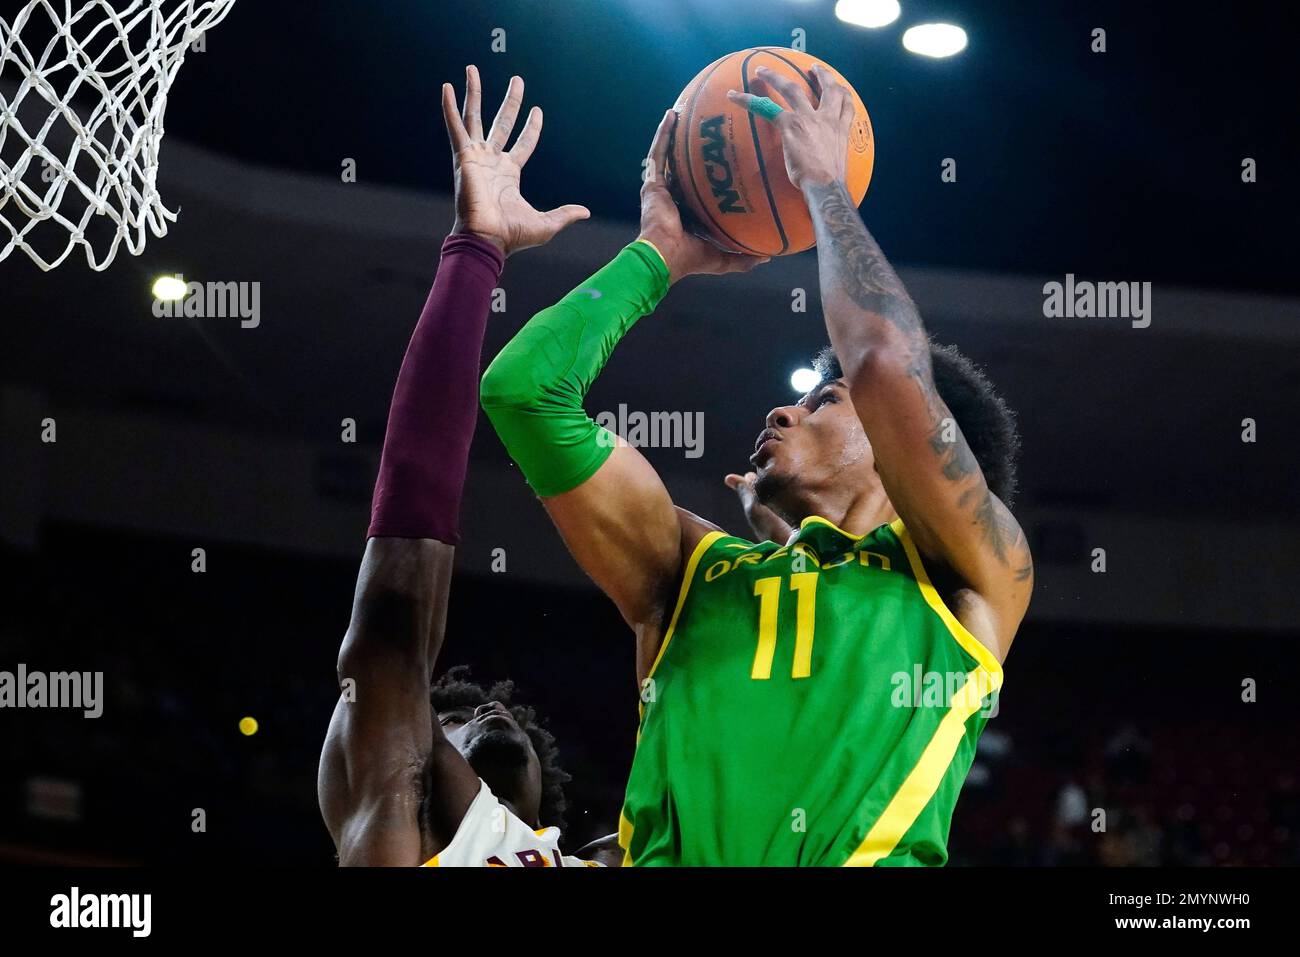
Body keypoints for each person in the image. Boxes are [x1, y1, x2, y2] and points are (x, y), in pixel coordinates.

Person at [480, 64, 1032, 866]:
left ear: (897, 439)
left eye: (823, 401)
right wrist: (658, 255)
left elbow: (881, 363)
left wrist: (822, 187)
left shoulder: (971, 580)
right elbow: (522, 393)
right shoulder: (693, 572)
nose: (783, 411)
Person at [317, 66, 615, 867]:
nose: (486, 703)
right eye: (442, 715)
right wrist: (474, 251)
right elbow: (394, 621)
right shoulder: (400, 811)